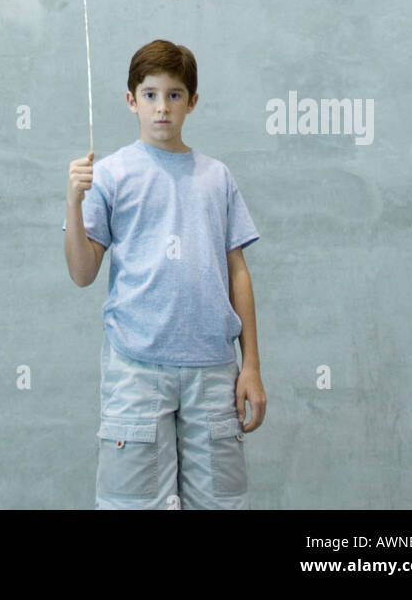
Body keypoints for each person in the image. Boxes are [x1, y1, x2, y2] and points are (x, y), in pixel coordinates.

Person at [64, 39, 266, 510]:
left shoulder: (216, 177)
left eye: (174, 95)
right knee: (133, 503)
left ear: (192, 102)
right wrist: (74, 203)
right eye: (150, 95)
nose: (162, 108)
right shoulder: (110, 174)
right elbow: (81, 272)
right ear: (131, 100)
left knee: (222, 503)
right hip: (135, 366)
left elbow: (238, 271)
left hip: (213, 367)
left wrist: (250, 365)